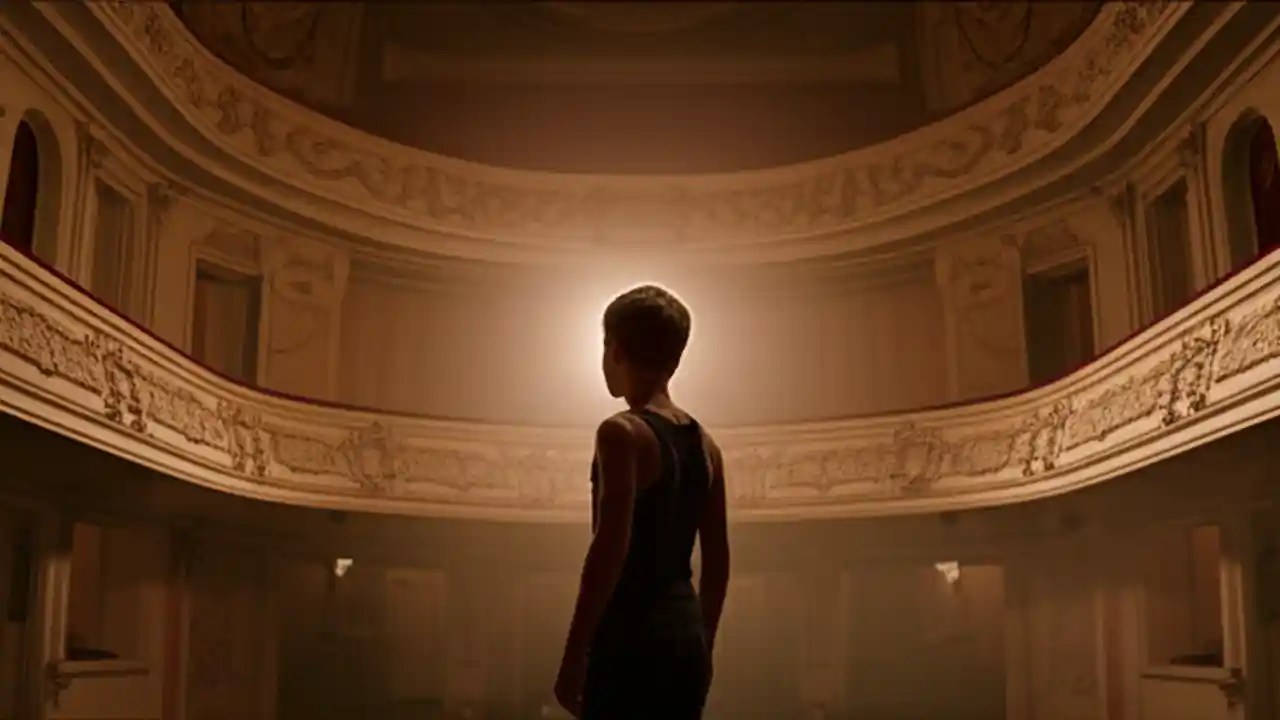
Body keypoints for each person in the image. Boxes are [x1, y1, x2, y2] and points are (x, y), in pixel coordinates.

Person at [554, 284, 731, 719]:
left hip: (630, 634)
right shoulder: (707, 446)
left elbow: (609, 550)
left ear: (614, 349)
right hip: (685, 633)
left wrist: (575, 652)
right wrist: (704, 643)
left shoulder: (621, 433)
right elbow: (718, 560)